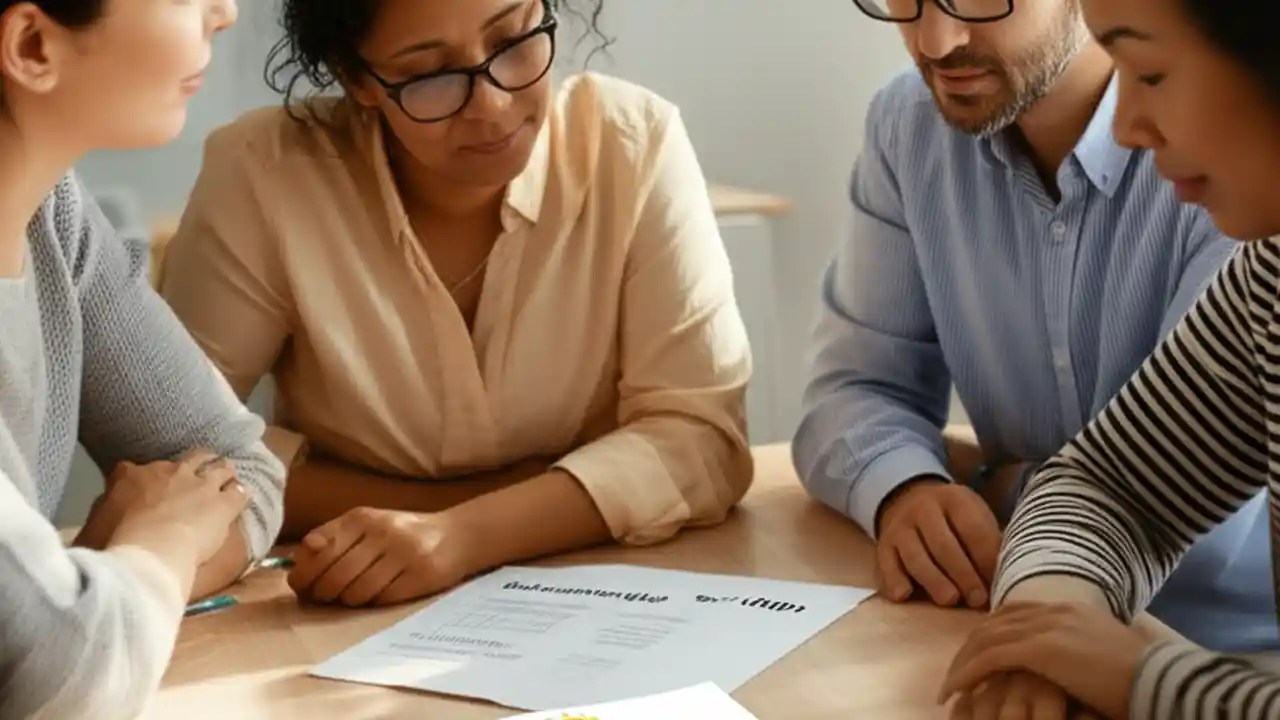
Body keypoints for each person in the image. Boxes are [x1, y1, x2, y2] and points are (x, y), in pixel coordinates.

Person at [159, 0, 753, 609]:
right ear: (357, 78)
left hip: (604, 588)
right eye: (432, 75)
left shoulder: (633, 144)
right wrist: (513, 508)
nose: (493, 106)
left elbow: (702, 441)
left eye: (514, 40)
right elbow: (175, 446)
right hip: (348, 589)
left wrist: (459, 536)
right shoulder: (265, 172)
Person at [792, 0, 1276, 653]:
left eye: (1153, 74)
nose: (935, 40)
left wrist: (988, 477)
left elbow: (1196, 533)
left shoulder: (1227, 185)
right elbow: (1122, 491)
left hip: (1230, 650)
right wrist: (908, 485)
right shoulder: (908, 127)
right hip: (1038, 622)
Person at [935, 0, 1280, 715]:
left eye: (1149, 72)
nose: (1124, 127)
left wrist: (1143, 678)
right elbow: (1111, 485)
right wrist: (1051, 629)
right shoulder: (1269, 279)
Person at [0, 0, 287, 717]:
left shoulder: (51, 213)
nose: (223, 13)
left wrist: (99, 590)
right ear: (33, 44)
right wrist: (157, 542)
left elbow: (242, 468)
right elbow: (58, 673)